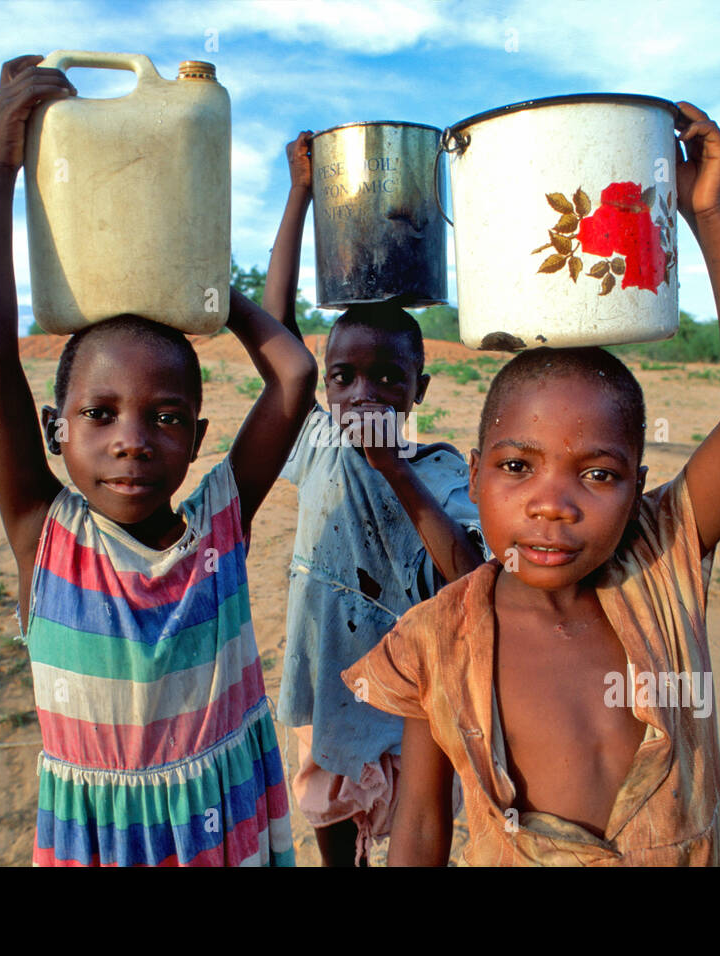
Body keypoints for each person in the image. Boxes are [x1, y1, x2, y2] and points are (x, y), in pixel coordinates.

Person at [343, 102, 720, 865]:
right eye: (518, 467)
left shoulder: (661, 563)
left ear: (638, 489)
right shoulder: (432, 641)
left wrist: (708, 214)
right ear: (474, 475)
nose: (554, 503)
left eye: (599, 473)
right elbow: (420, 826)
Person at [0, 55, 318, 866]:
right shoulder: (42, 534)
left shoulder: (221, 522)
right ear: (55, 430)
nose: (131, 439)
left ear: (196, 439)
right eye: (99, 414)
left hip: (224, 824)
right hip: (104, 843)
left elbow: (293, 374)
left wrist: (204, 288)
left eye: (164, 418)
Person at [264, 131, 487, 865]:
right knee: (325, 810)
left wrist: (397, 470)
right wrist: (299, 195)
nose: (364, 394)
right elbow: (277, 339)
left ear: (420, 389)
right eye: (343, 377)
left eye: (389, 378)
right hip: (327, 677)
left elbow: (468, 578)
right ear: (323, 386)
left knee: (417, 824)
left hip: (407, 698)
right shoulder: (319, 442)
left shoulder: (445, 472)